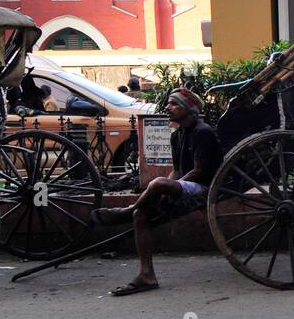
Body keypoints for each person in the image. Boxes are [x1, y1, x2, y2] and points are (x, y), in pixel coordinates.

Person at [90, 87, 221, 295]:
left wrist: (168, 187)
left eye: (174, 103)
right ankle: (147, 275)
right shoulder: (177, 135)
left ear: (188, 108)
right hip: (185, 185)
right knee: (140, 214)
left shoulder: (202, 132)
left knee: (159, 183)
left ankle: (123, 212)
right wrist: (167, 187)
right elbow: (176, 170)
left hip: (204, 186)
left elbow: (199, 170)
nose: (168, 107)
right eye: (168, 103)